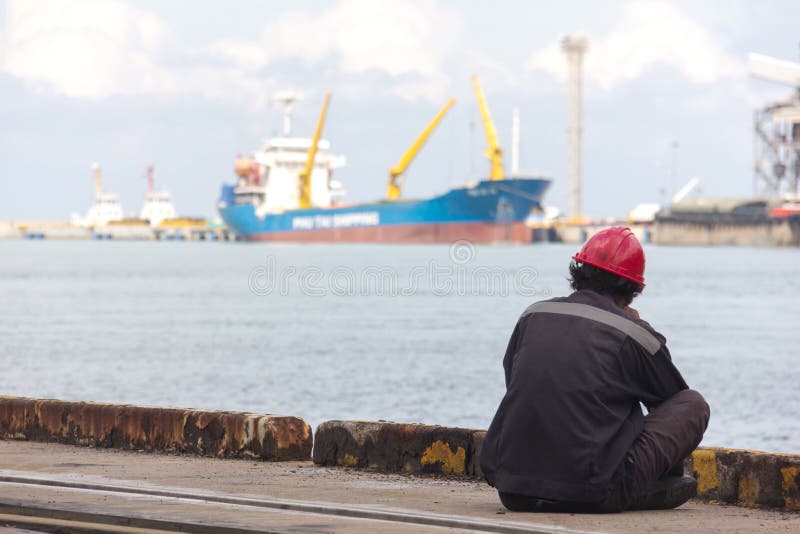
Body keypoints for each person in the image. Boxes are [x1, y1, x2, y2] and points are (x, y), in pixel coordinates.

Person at [480, 227, 710, 513]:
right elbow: (670, 403)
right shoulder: (634, 334)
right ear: (634, 288)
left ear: (579, 271)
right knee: (693, 404)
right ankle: (656, 484)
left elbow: (516, 382)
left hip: (514, 489)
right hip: (591, 492)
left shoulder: (533, 315)